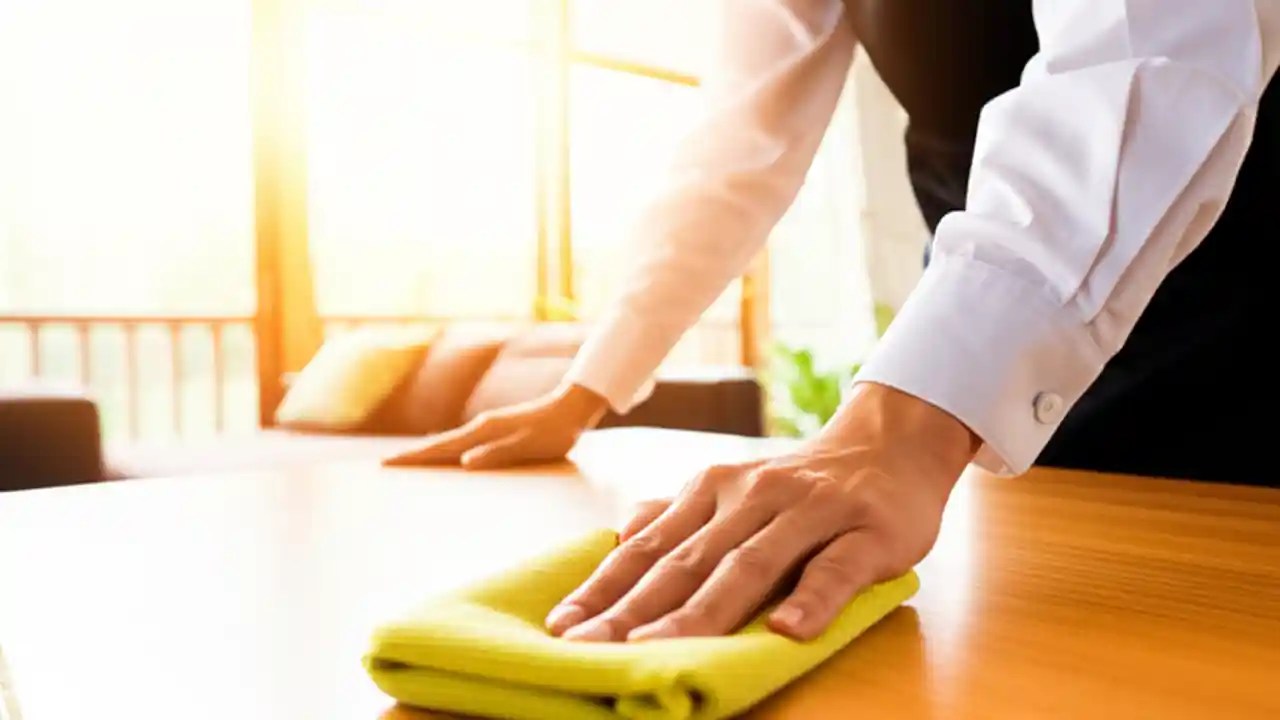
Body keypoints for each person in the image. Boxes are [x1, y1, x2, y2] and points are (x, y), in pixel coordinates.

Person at [388, 0, 1280, 644]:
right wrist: (588, 384)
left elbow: (1150, 53)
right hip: (1019, 369)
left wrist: (901, 425)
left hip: (1239, 305)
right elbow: (739, 146)